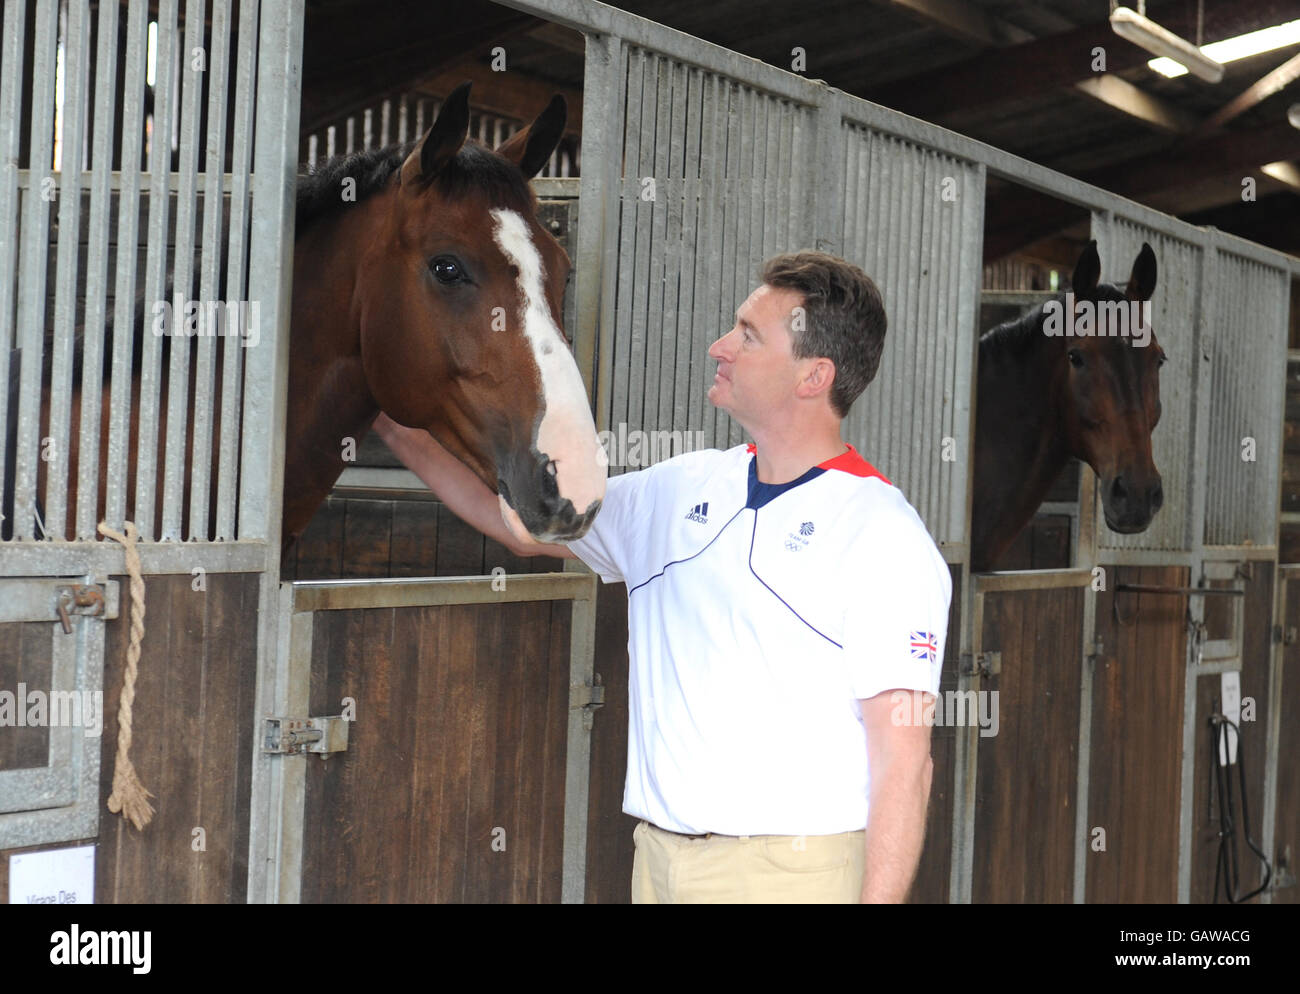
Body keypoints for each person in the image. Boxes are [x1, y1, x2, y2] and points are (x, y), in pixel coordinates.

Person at [374, 251, 952, 903]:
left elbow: (906, 763)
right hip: (659, 862)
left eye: (748, 336)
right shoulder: (679, 487)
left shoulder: (883, 534)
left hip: (797, 875)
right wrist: (388, 424)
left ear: (813, 376)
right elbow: (521, 526)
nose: (720, 346)